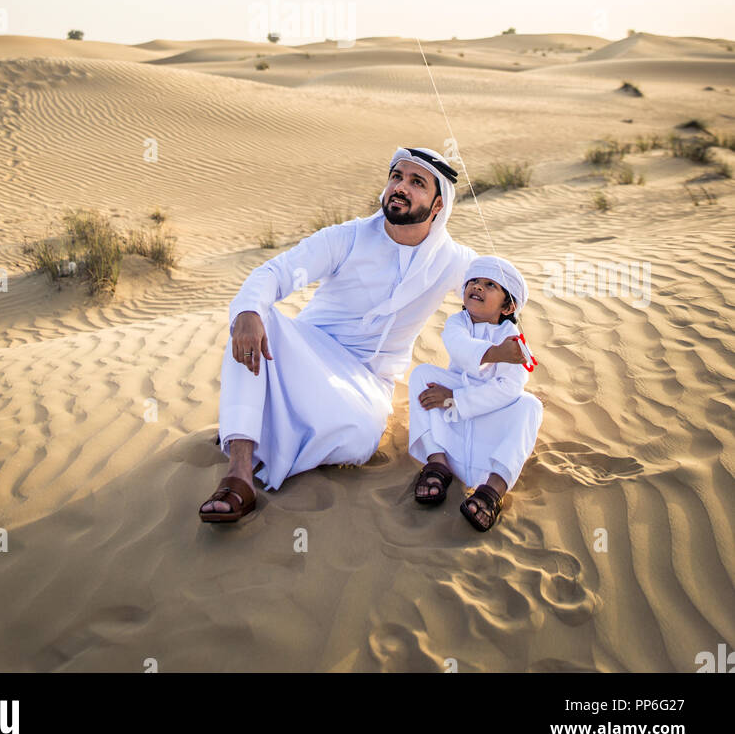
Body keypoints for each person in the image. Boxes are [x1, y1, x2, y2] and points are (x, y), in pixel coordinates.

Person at [198, 146, 477, 522]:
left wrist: (504, 368)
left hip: (369, 381)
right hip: (308, 353)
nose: (401, 187)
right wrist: (247, 312)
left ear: (439, 204)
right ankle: (240, 473)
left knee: (360, 441)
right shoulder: (348, 237)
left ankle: (259, 423)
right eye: (396, 177)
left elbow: (494, 305)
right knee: (259, 320)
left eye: (416, 183)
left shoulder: (454, 261)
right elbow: (274, 273)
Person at [408, 255, 542, 532]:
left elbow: (509, 388)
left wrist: (457, 401)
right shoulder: (458, 323)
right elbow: (458, 347)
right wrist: (493, 355)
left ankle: (493, 490)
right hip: (453, 415)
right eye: (474, 282)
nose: (478, 287)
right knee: (422, 375)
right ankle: (437, 464)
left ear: (508, 305)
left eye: (490, 285)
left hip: (485, 418)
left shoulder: (513, 339)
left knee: (530, 405)